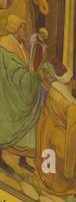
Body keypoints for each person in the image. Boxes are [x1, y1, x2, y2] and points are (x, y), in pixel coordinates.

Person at [34, 61, 76, 195]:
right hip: (60, 139)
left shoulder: (53, 89)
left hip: (47, 129)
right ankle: (56, 185)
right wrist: (69, 169)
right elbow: (72, 139)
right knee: (61, 170)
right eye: (73, 80)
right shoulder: (73, 107)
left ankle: (46, 179)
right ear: (68, 82)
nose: (75, 82)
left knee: (47, 155)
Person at [0, 16, 40, 165]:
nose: (25, 31)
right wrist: (30, 77)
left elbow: (26, 68)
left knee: (32, 115)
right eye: (23, 27)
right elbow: (12, 71)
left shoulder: (22, 46)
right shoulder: (5, 43)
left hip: (18, 90)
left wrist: (33, 76)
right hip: (5, 92)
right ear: (15, 28)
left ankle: (22, 158)